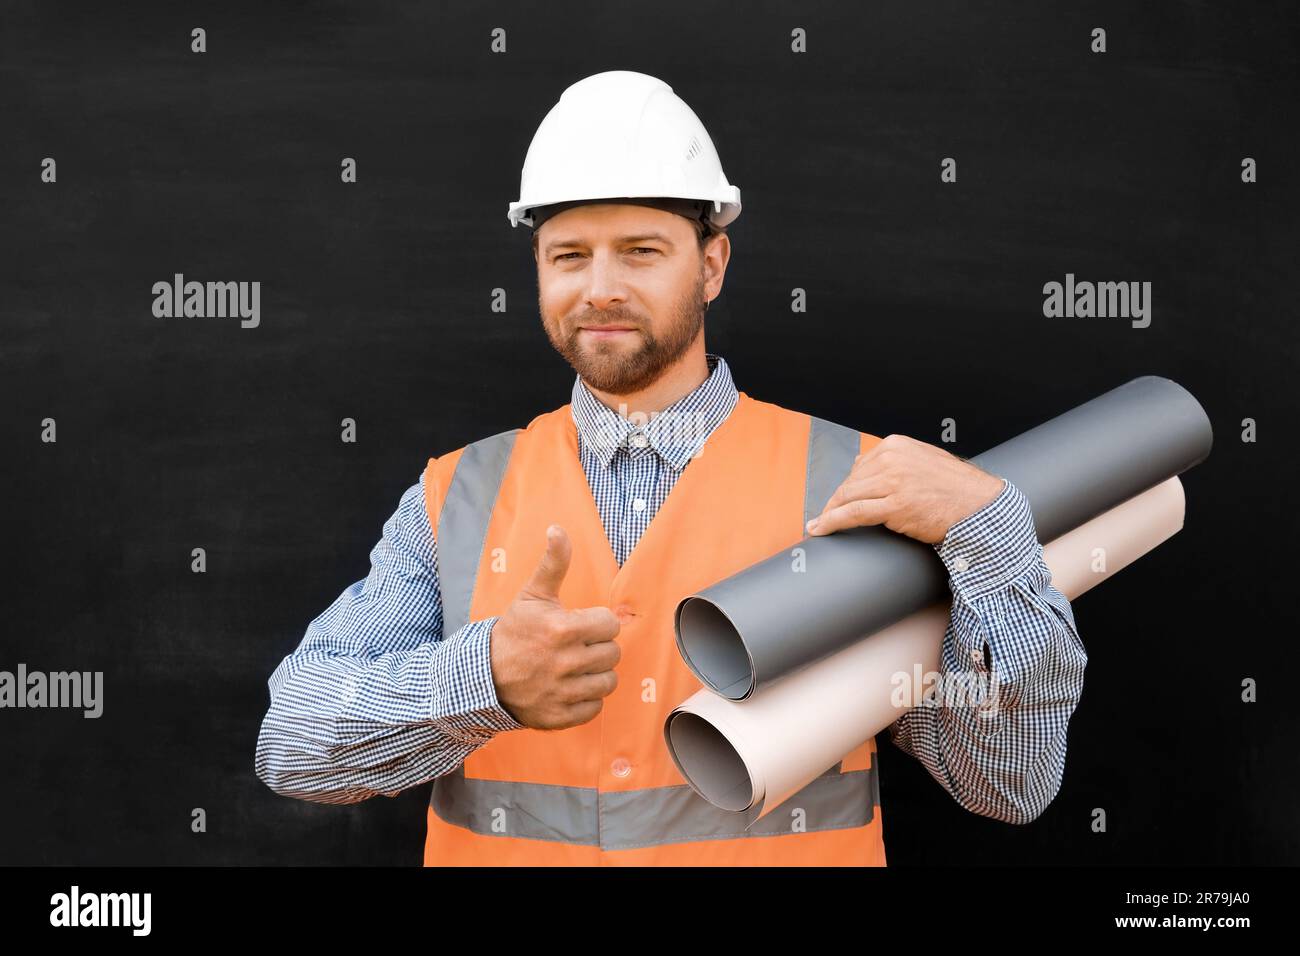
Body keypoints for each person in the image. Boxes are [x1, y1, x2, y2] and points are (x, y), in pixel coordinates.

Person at [254, 70, 1087, 866]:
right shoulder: (456, 497)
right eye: (569, 255)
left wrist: (992, 535)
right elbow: (291, 746)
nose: (601, 288)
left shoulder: (859, 486)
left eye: (642, 251)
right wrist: (483, 681)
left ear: (711, 265)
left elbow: (1007, 782)